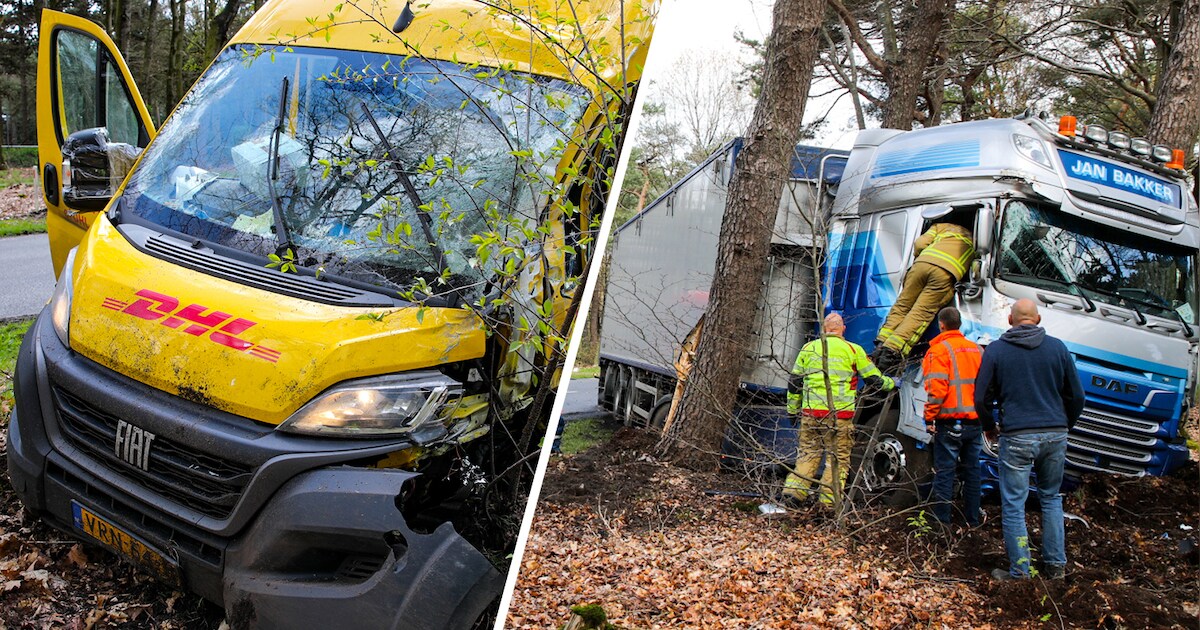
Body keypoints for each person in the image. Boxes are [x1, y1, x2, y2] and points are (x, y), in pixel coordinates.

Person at [975, 299, 1085, 581]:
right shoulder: (1058, 348)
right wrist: (1064, 425)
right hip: (1055, 434)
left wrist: (989, 427)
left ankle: (1020, 573)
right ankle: (1056, 567)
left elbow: (981, 398)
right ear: (1037, 319)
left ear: (1010, 320)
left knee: (1014, 503)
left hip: (1017, 435)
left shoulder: (997, 350)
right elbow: (1077, 396)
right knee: (1051, 498)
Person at [783, 313, 895, 505]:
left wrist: (792, 411)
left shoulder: (809, 348)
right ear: (843, 329)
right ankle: (827, 504)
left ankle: (792, 496)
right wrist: (892, 383)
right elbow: (874, 380)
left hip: (811, 414)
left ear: (824, 329)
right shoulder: (853, 349)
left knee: (808, 455)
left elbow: (794, 383)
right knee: (837, 461)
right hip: (838, 417)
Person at [875, 210, 976, 371]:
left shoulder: (941, 227)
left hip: (920, 266)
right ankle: (891, 352)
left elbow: (920, 244)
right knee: (920, 312)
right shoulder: (974, 240)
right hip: (944, 273)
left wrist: (920, 257)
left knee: (902, 306)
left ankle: (881, 344)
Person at [921, 306, 983, 527]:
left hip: (949, 423)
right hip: (975, 422)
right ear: (960, 324)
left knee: (945, 473)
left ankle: (942, 523)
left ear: (941, 325)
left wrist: (929, 417)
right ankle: (972, 521)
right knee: (972, 472)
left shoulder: (938, 351)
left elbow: (937, 390)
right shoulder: (977, 350)